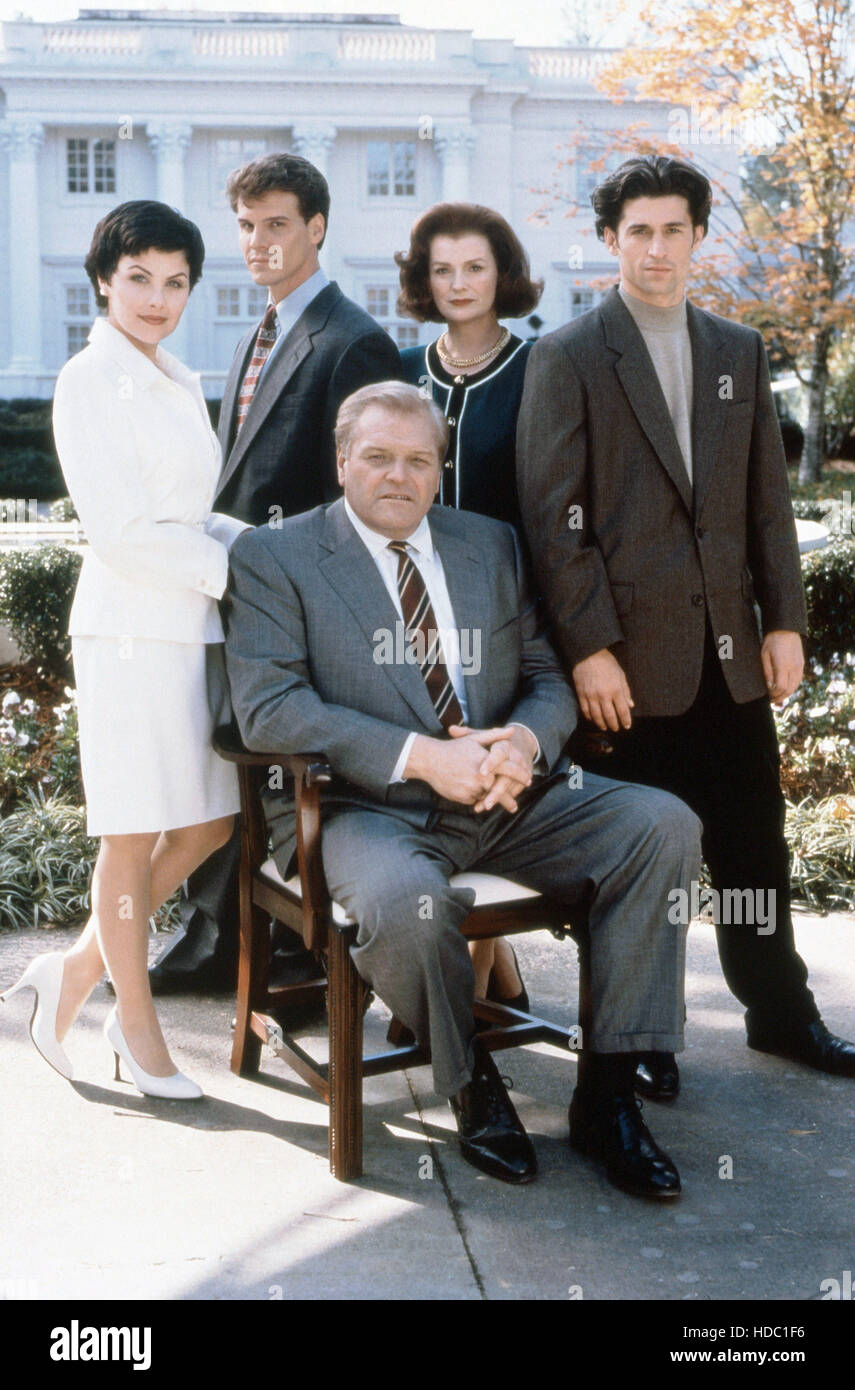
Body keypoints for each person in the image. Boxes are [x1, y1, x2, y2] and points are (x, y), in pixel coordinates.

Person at [223, 380, 703, 1198]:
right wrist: (417, 756)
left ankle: (609, 1093)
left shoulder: (489, 544)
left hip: (506, 798)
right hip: (359, 805)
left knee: (661, 824)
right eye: (376, 457)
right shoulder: (276, 556)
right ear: (342, 462)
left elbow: (548, 675)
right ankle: (470, 1080)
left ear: (439, 468)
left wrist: (523, 739)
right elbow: (270, 709)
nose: (398, 477)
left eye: (418, 461)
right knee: (405, 902)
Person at [516, 153, 855, 1102]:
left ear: (698, 236)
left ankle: (779, 1015)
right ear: (609, 241)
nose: (657, 248)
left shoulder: (736, 352)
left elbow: (766, 510)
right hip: (627, 666)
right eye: (638, 232)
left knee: (754, 850)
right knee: (639, 863)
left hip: (729, 659)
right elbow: (554, 522)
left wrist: (781, 623)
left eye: (673, 230)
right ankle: (642, 1034)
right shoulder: (570, 356)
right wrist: (589, 648)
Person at [1, 201, 245, 1098]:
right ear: (104, 279)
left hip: (189, 628)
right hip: (130, 630)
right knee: (133, 836)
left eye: (176, 281)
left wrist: (256, 546)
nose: (157, 297)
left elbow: (183, 512)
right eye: (138, 278)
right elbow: (120, 530)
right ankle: (134, 1032)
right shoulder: (87, 378)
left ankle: (66, 975)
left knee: (210, 824)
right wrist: (235, 569)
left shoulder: (174, 373)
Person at [150, 152, 403, 997]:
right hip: (239, 595)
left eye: (277, 224)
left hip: (304, 611)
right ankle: (223, 941)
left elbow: (370, 498)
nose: (258, 242)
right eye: (247, 227)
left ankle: (293, 956)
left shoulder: (352, 341)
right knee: (232, 769)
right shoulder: (258, 333)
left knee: (287, 786)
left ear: (317, 228)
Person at [396, 201, 542, 1008]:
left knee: (494, 775)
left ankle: (468, 993)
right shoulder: (400, 371)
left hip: (508, 610)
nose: (457, 284)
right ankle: (480, 977)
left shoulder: (537, 371)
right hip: (412, 615)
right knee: (434, 782)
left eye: (474, 267)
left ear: (502, 276)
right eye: (441, 269)